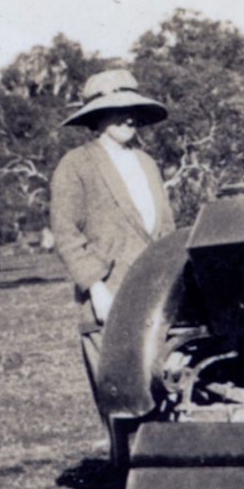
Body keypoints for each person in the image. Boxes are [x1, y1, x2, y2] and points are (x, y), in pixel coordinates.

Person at [50, 68, 174, 328]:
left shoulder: (147, 162)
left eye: (133, 110)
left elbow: (166, 229)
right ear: (97, 116)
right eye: (117, 110)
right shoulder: (76, 163)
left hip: (157, 298)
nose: (128, 119)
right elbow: (66, 234)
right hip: (108, 297)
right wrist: (96, 289)